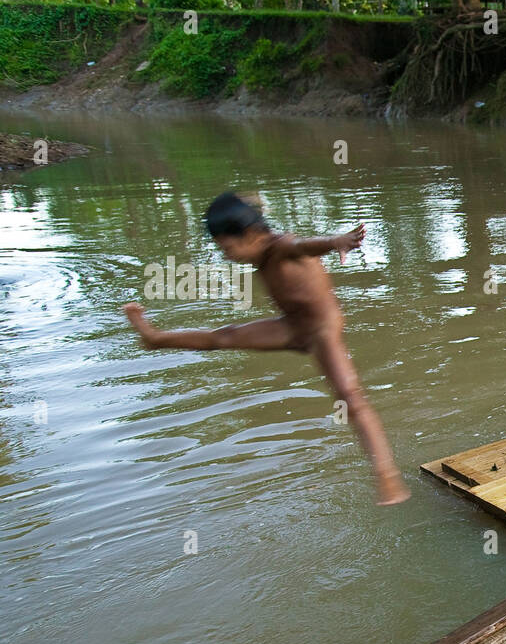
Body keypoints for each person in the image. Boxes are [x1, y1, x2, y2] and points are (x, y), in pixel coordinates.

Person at [123, 192, 410, 506]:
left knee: (350, 397)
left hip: (321, 330)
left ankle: (387, 476)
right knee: (225, 336)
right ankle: (154, 339)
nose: (226, 256)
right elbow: (246, 211)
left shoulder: (281, 246)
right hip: (290, 325)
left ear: (250, 236)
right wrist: (248, 202)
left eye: (228, 248)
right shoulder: (258, 246)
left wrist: (335, 242)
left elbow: (304, 245)